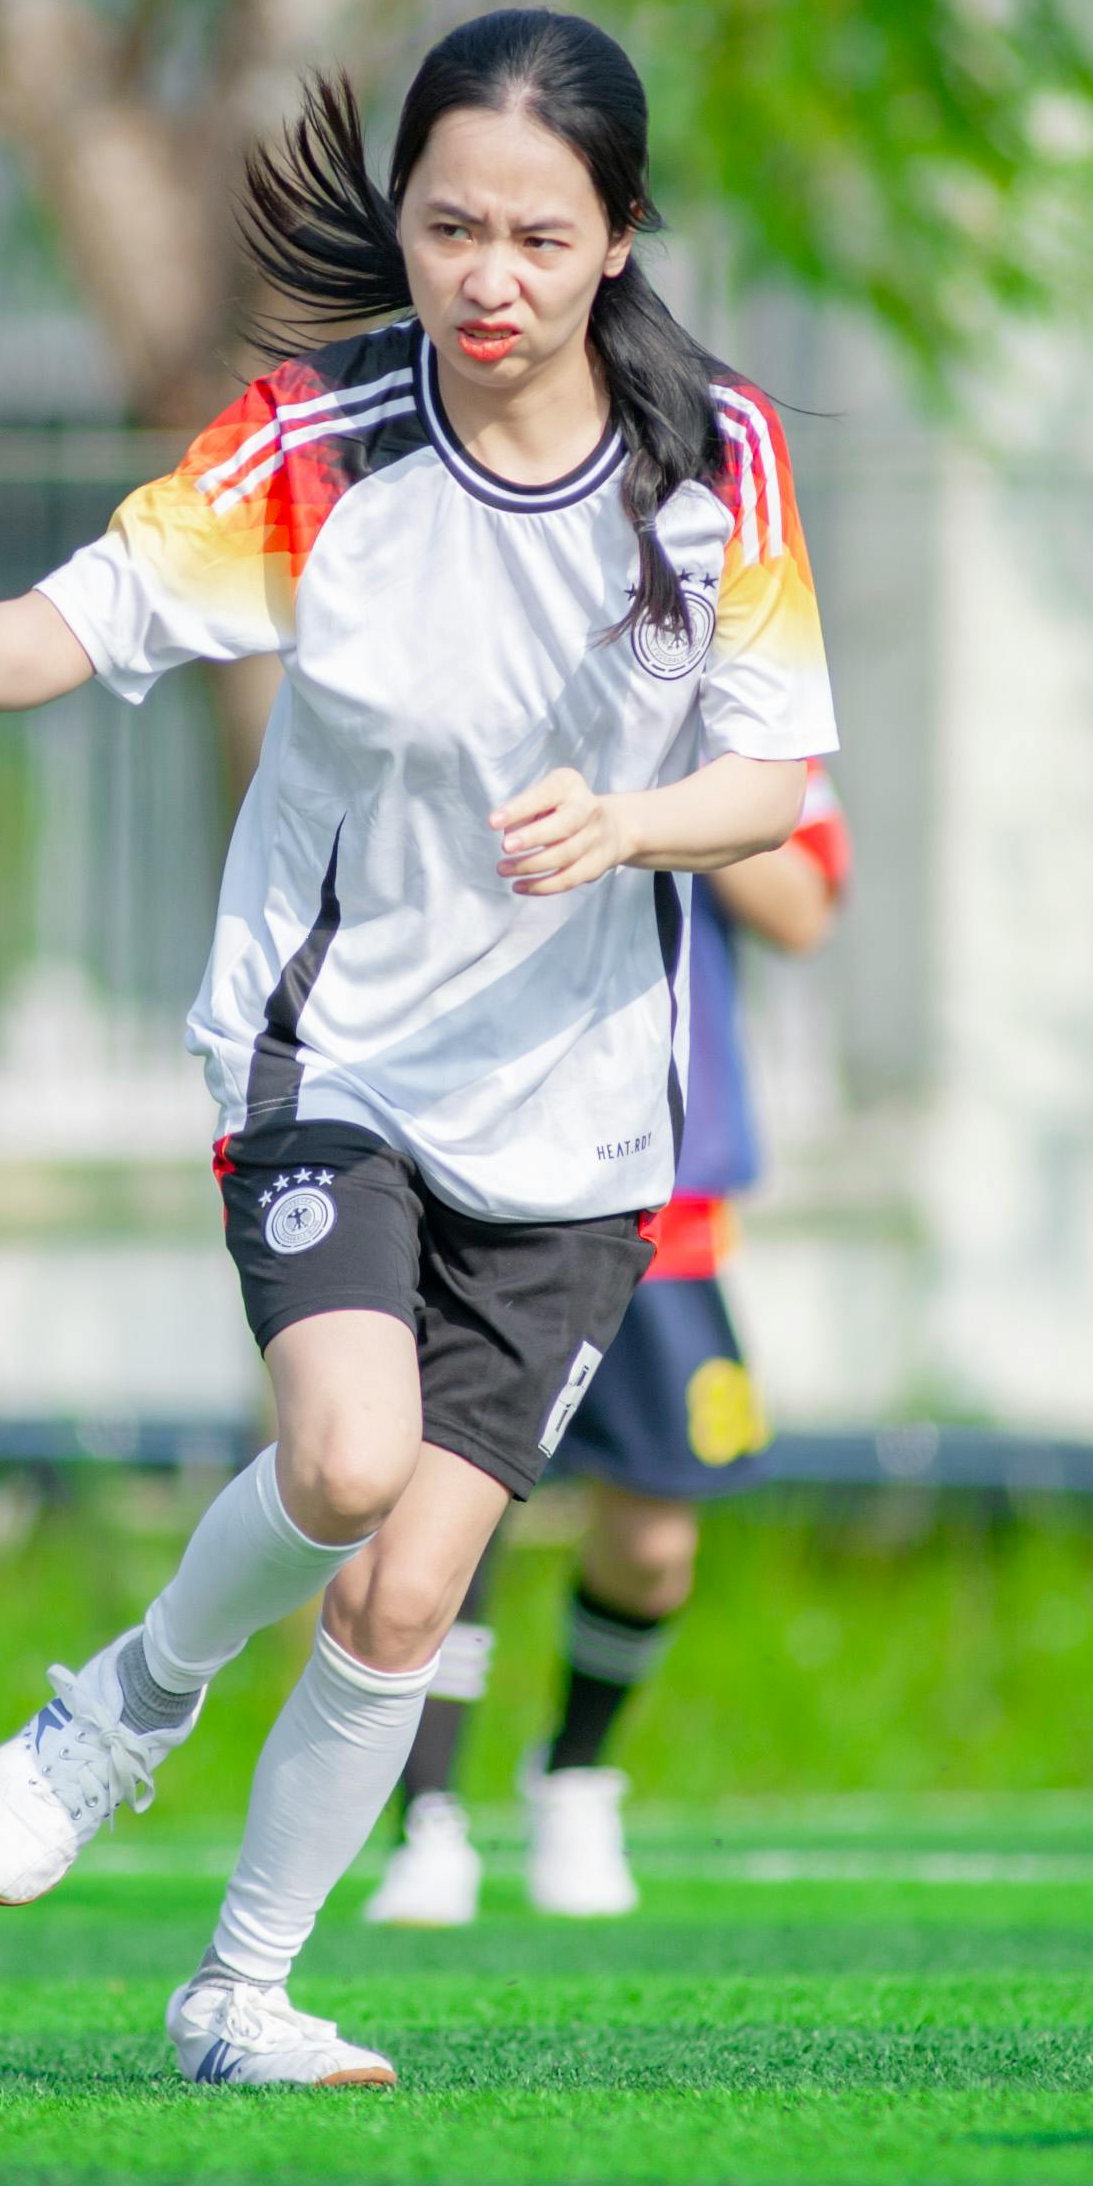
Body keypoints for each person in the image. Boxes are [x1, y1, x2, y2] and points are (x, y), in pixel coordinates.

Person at [0, 7, 837, 2089]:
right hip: (322, 1054)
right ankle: (125, 1703)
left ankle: (241, 1991)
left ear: (619, 239)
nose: (483, 279)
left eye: (534, 235)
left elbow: (772, 782)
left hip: (584, 1117)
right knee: (340, 1458)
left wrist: (628, 819)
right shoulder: (318, 443)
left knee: (414, 1595)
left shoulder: (716, 463)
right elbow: (94, 609)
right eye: (446, 228)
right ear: (400, 225)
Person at [364, 763, 845, 1927]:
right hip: (478, 1161)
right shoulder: (488, 657)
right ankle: (423, 1817)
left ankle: (574, 1774)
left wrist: (651, 810)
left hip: (656, 1188)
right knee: (449, 1505)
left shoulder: (735, 709)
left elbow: (799, 907)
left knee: (654, 1539)